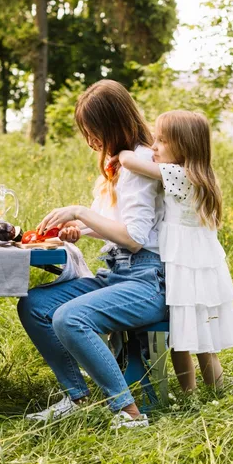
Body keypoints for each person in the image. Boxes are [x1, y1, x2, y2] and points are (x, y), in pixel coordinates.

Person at [17, 80, 166, 429]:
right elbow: (116, 227)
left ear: (113, 123)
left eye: (93, 130)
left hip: (148, 280)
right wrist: (80, 230)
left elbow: (135, 238)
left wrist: (81, 213)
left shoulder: (139, 163)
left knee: (70, 318)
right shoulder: (117, 165)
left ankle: (128, 413)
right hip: (117, 272)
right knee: (34, 305)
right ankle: (76, 397)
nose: (90, 140)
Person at [117, 110, 233, 391]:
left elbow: (130, 162)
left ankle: (193, 395)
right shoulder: (201, 176)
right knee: (202, 341)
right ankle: (214, 395)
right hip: (200, 267)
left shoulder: (179, 174)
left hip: (185, 268)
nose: (154, 147)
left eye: (162, 141)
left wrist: (122, 151)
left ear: (184, 147)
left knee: (183, 340)